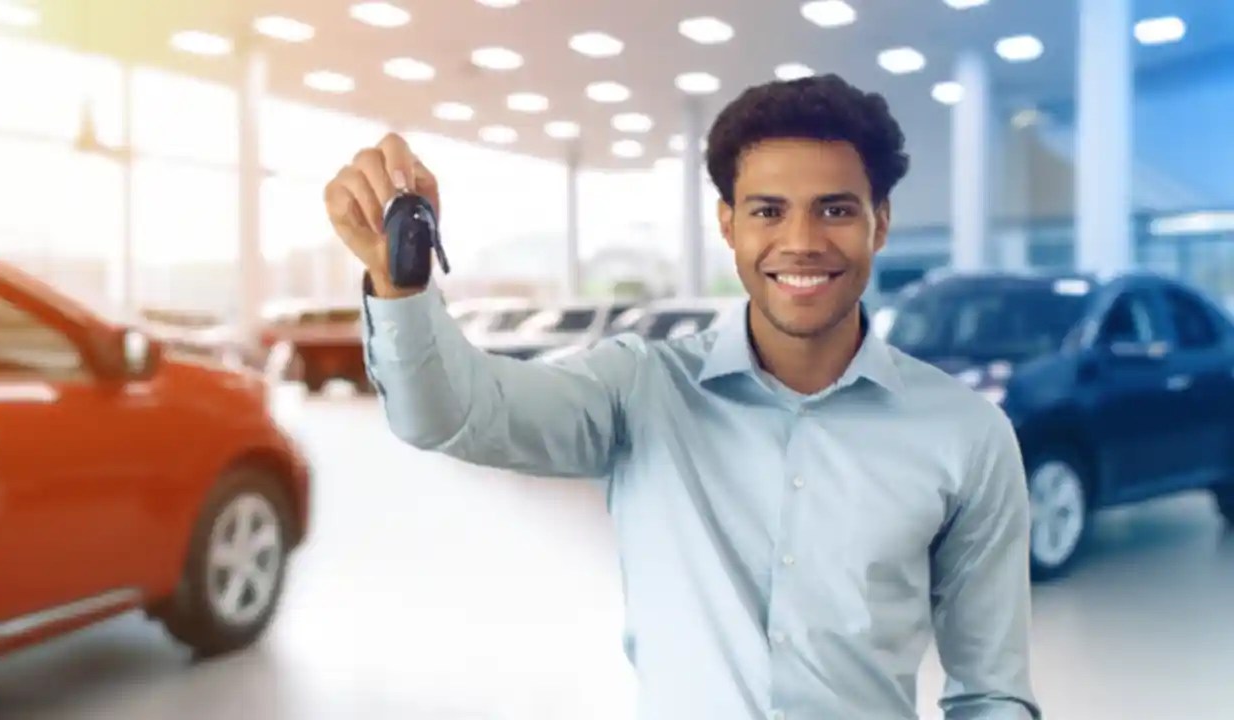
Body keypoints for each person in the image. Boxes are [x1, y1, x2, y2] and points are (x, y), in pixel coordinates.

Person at [324, 74, 1041, 720]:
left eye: (834, 210)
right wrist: (401, 285)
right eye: (767, 210)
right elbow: (450, 414)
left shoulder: (966, 434)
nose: (800, 241)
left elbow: (990, 694)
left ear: (879, 223)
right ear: (727, 224)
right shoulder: (639, 389)